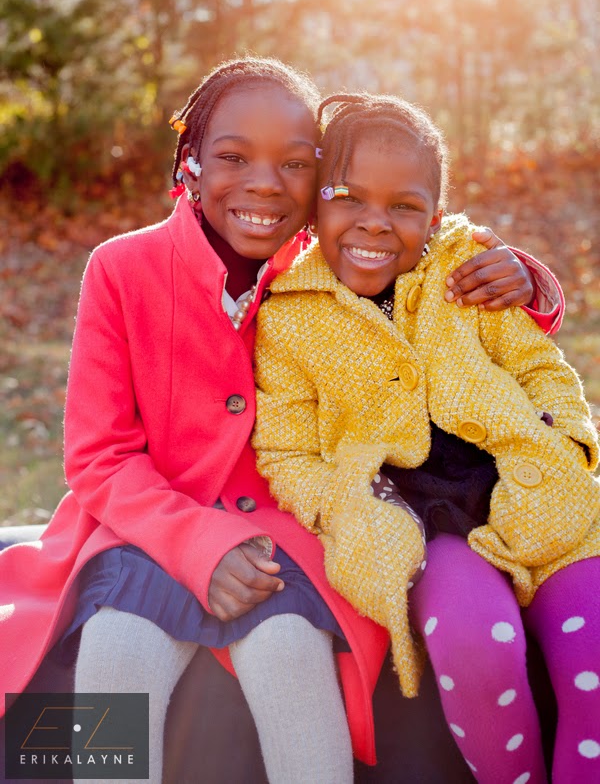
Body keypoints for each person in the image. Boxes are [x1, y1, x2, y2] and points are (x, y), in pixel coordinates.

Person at [0, 60, 566, 784]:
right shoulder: (121, 269)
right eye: (234, 157)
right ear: (191, 166)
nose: (265, 183)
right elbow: (99, 457)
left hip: (288, 540)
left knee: (295, 678)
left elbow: (435, 279)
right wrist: (200, 547)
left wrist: (523, 278)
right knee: (112, 673)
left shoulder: (331, 266)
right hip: (144, 534)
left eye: (295, 164)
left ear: (320, 178)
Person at [252, 92, 600, 784]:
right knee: (475, 643)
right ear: (315, 207)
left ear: (434, 217)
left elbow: (541, 370)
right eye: (348, 198)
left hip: (535, 494)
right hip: (419, 524)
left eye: (404, 207)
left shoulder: (465, 269)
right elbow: (284, 450)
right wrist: (342, 507)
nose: (374, 224)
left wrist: (569, 443)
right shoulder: (289, 316)